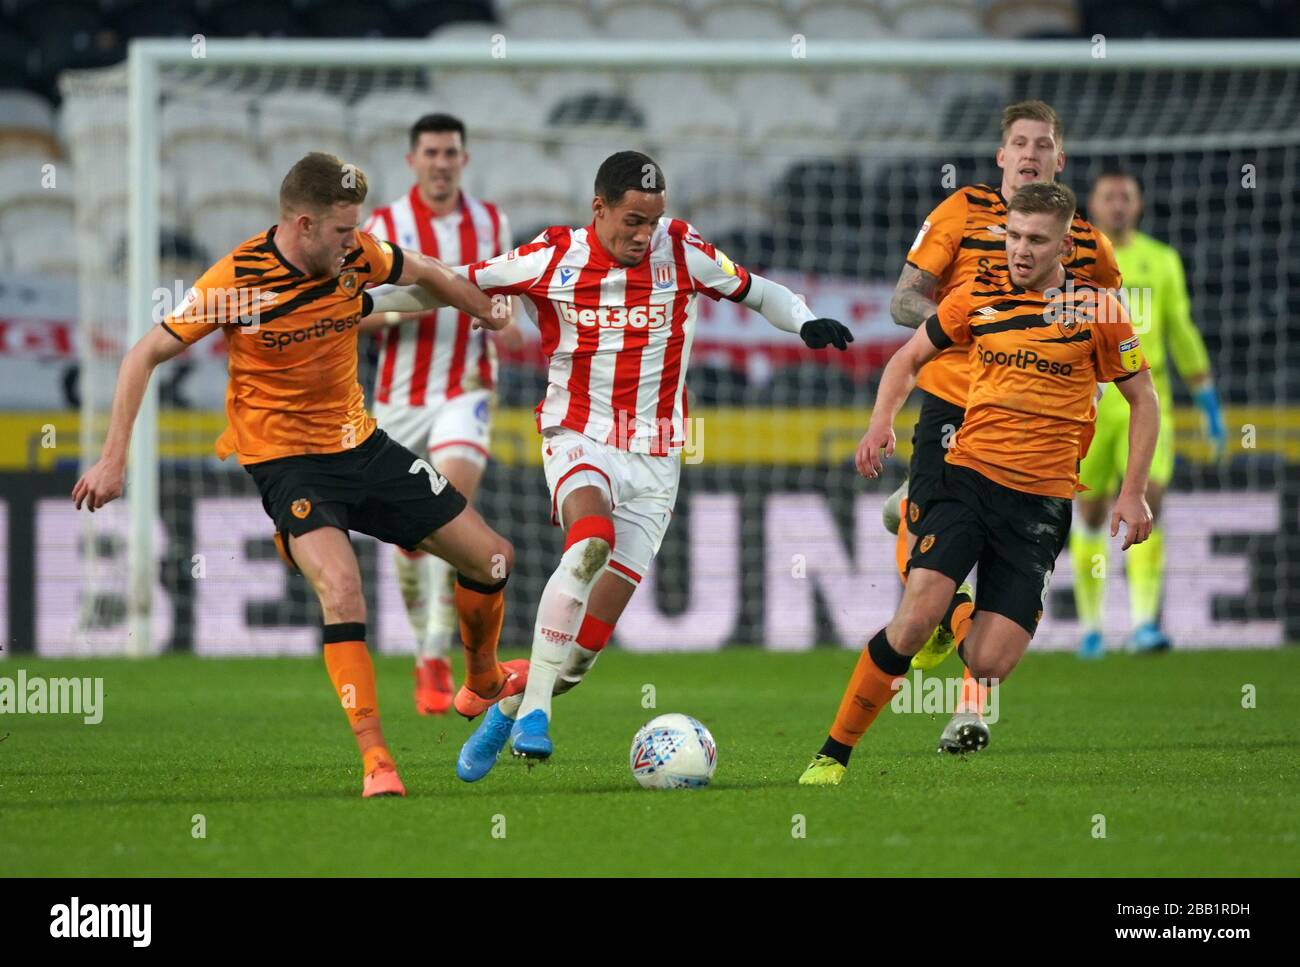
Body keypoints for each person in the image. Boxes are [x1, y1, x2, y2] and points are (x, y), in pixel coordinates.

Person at [73, 153, 526, 798]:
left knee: (494, 560)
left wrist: (485, 310)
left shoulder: (354, 255)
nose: (354, 243)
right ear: (304, 223)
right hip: (287, 464)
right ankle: (377, 760)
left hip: (360, 446)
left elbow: (424, 270)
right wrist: (113, 458)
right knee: (343, 591)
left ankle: (481, 679)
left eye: (357, 231)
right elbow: (144, 353)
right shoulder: (236, 279)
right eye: (343, 232)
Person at [801, 182, 1157, 785]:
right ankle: (832, 754)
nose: (1019, 249)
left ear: (1065, 244)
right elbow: (906, 359)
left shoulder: (1097, 310)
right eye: (1012, 235)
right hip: (967, 480)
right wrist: (880, 424)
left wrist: (1131, 491)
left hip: (1042, 504)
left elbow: (1143, 401)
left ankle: (958, 617)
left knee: (988, 664)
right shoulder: (976, 294)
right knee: (911, 622)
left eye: (1034, 239)